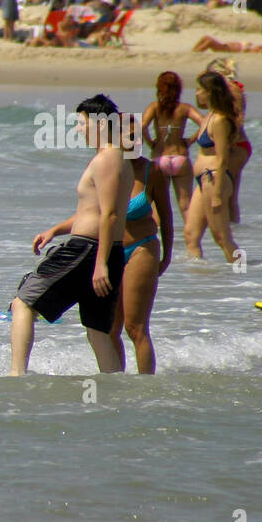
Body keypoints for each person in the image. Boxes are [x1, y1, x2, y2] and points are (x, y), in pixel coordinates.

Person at [9, 94, 133, 375]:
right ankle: (114, 392)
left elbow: (110, 214)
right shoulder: (113, 158)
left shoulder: (108, 159)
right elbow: (93, 211)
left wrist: (100, 263)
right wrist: (56, 230)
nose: (78, 130)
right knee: (97, 331)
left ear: (100, 124)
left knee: (23, 303)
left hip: (87, 251)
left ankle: (16, 377)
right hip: (99, 251)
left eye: (81, 123)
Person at [107, 144, 172, 374]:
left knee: (135, 327)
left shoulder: (151, 171)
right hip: (110, 252)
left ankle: (146, 388)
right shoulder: (106, 167)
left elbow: (166, 217)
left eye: (137, 136)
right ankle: (117, 384)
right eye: (128, 136)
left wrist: (167, 255)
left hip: (142, 248)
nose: (134, 142)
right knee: (110, 328)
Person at [183, 71, 241, 262]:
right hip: (203, 180)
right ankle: (199, 280)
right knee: (191, 235)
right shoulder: (209, 116)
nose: (196, 93)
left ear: (210, 92)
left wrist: (217, 194)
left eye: (200, 89)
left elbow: (223, 158)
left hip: (214, 179)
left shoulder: (220, 120)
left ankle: (242, 273)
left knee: (222, 237)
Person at [204, 58, 254, 223]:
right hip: (233, 144)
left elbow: (239, 119)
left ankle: (229, 232)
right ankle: (232, 231)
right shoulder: (222, 92)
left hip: (237, 145)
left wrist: (229, 142)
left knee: (227, 193)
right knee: (229, 193)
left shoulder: (233, 89)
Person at [142, 70, 198, 216]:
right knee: (186, 205)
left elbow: (142, 126)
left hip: (160, 158)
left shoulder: (154, 107)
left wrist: (150, 143)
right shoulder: (185, 108)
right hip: (180, 157)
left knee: (158, 206)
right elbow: (205, 123)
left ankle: (157, 238)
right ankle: (193, 238)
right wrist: (190, 141)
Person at [191, 35, 262, 53]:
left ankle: (197, 52)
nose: (259, 46)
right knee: (205, 37)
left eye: (260, 47)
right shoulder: (249, 46)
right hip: (224, 45)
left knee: (209, 42)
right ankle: (194, 50)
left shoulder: (249, 50)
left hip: (225, 49)